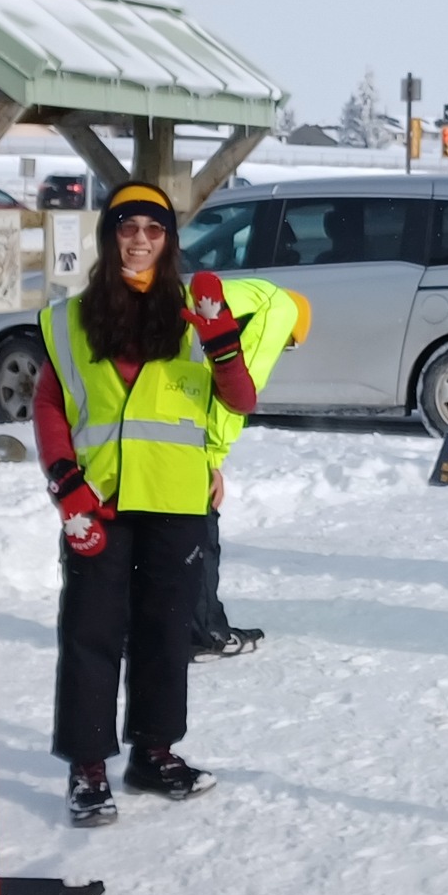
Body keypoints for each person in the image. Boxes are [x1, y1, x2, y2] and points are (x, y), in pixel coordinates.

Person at [36, 182, 264, 826]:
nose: (139, 239)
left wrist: (222, 344)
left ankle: (154, 753)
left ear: (169, 241)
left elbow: (239, 400)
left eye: (153, 229)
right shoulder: (68, 318)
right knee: (91, 634)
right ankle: (87, 767)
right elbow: (51, 405)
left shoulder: (201, 312)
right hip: (99, 498)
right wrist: (64, 482)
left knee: (166, 634)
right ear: (110, 239)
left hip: (174, 499)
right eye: (127, 227)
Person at [189, 283, 306, 661]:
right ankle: (206, 633)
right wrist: (211, 459)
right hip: (190, 447)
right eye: (287, 346)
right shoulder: (280, 307)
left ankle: (139, 632)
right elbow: (235, 392)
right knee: (197, 540)